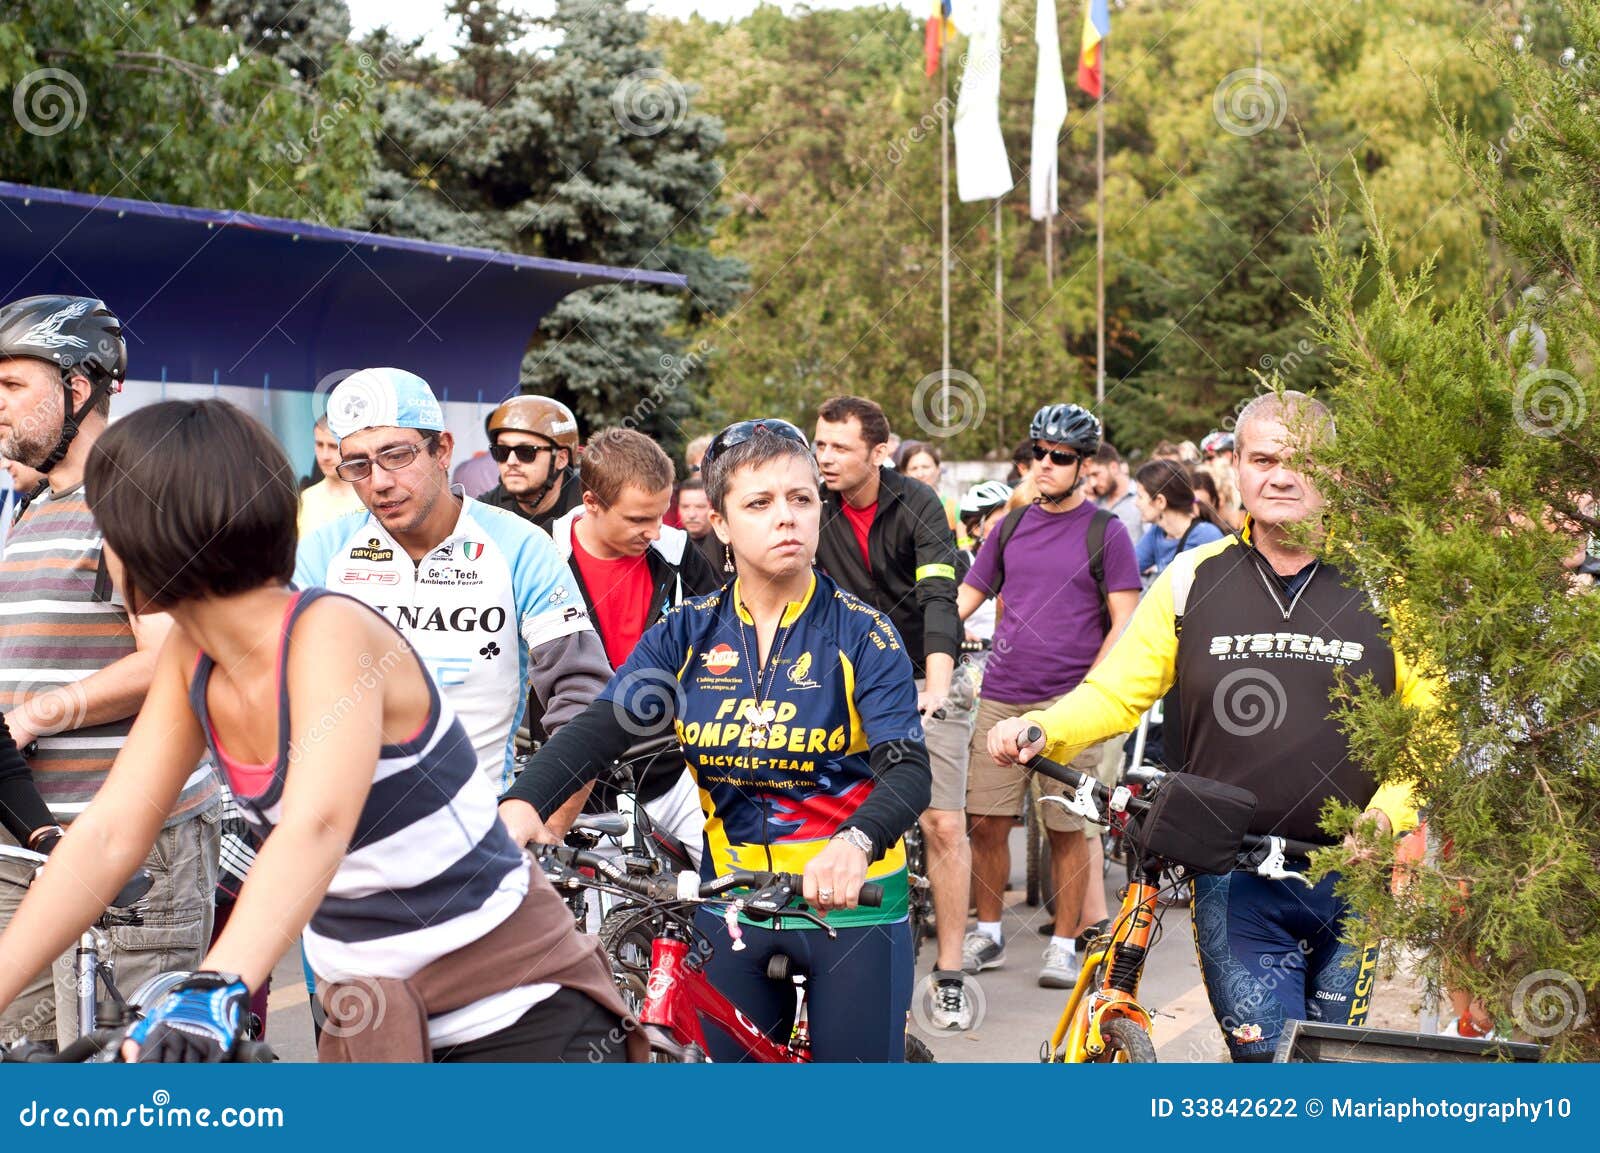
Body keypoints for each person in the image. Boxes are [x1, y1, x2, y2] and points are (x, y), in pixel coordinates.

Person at [0, 399, 639, 1063]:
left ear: (145, 535)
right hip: (375, 1019)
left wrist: (210, 988)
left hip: (520, 1014)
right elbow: (106, 837)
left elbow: (318, 823)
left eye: (104, 524)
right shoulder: (193, 657)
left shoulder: (327, 629)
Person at [987, 391, 1433, 1061]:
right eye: (1262, 458)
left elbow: (1432, 728)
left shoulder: (1388, 582)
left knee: (1333, 1075)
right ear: (1239, 472)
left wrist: (1388, 814)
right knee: (1267, 1069)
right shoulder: (1194, 578)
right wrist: (1044, 728)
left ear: (1337, 472)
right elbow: (1116, 692)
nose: (1281, 475)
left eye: (1303, 460)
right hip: (1235, 878)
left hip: (1351, 879)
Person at [500, 419, 931, 1062]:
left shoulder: (862, 635)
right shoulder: (687, 633)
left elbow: (907, 769)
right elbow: (597, 729)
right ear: (721, 524)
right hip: (730, 906)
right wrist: (523, 805)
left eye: (801, 498)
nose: (785, 517)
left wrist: (855, 842)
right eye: (759, 502)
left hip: (852, 907)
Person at [0, 295, 220, 1048]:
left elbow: (170, 656)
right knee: (28, 1062)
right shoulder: (31, 506)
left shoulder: (129, 499)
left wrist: (36, 715)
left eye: (10, 385)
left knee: (123, 1073)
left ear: (78, 387)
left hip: (130, 839)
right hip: (30, 837)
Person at [293, 369, 612, 803]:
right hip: (343, 837)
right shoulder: (322, 553)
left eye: (396, 455)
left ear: (442, 450)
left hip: (475, 837)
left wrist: (540, 814)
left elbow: (582, 694)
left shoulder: (520, 547)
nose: (379, 481)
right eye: (359, 464)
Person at [956, 404, 1140, 988]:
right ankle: (987, 933)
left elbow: (1125, 620)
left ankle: (1063, 943)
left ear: (1084, 465)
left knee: (1066, 827)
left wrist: (1091, 691)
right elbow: (966, 597)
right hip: (1002, 695)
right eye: (1038, 451)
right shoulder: (1008, 526)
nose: (1045, 464)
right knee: (984, 820)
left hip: (1070, 710)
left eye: (1060, 456)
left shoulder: (1104, 531)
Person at [812, 396, 975, 1030]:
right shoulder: (811, 505)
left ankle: (952, 970)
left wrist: (933, 688)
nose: (825, 458)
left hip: (923, 672)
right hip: (845, 682)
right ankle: (852, 961)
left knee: (941, 822)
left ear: (878, 453)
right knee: (848, 815)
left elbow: (940, 598)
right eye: (819, 444)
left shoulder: (919, 504)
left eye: (839, 447)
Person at [544, 427, 718, 849]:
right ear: (591, 504)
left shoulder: (677, 554)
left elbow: (721, 646)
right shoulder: (542, 556)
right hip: (579, 778)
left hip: (676, 772)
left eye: (661, 515)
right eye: (639, 519)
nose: (655, 531)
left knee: (729, 898)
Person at [479, 395, 585, 534]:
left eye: (526, 451)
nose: (511, 462)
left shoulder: (590, 510)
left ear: (561, 459)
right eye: (502, 451)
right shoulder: (483, 513)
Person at [1132, 459, 1228, 581]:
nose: (1136, 503)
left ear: (1160, 501)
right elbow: (1127, 568)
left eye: (1140, 497)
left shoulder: (1207, 536)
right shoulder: (1157, 532)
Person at [298, 414, 366, 534]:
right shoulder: (305, 499)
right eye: (319, 444)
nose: (325, 456)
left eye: (333, 446)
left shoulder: (370, 497)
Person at [897, 440, 961, 534]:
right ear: (904, 473)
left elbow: (964, 545)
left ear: (938, 469)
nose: (920, 474)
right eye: (914, 468)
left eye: (925, 467)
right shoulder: (897, 509)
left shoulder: (953, 508)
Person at [1085, 442, 1142, 544]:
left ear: (1114, 467)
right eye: (1089, 476)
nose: (1092, 483)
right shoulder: (1095, 503)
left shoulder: (1142, 499)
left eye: (1096, 474)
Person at [675, 477, 725, 572]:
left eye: (700, 507)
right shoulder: (671, 542)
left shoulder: (728, 545)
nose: (692, 515)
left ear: (713, 508)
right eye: (685, 507)